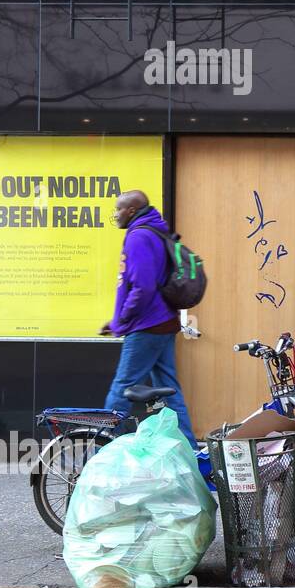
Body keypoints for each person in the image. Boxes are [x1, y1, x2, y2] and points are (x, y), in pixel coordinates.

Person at [100, 190, 197, 449]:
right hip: (162, 323)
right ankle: (190, 450)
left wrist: (123, 320)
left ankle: (104, 450)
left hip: (146, 327)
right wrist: (117, 322)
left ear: (131, 211)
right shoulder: (153, 232)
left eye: (118, 209)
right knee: (170, 391)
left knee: (122, 389)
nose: (116, 214)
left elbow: (142, 287)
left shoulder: (139, 236)